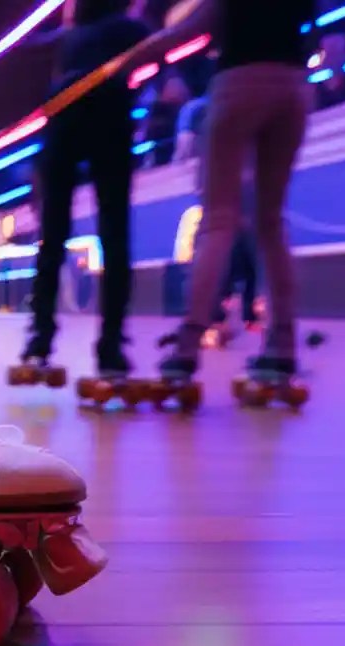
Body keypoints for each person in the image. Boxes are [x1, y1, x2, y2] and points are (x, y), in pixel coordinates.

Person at [132, 0, 315, 380]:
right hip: (293, 86)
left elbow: (191, 28)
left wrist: (138, 53)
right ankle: (282, 345)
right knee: (270, 222)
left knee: (218, 220)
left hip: (239, 83)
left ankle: (188, 344)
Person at [21, 0, 151, 377]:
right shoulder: (126, 29)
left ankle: (40, 337)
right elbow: (155, 48)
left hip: (64, 118)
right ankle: (110, 345)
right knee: (114, 232)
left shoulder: (69, 37)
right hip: (110, 114)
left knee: (53, 234)